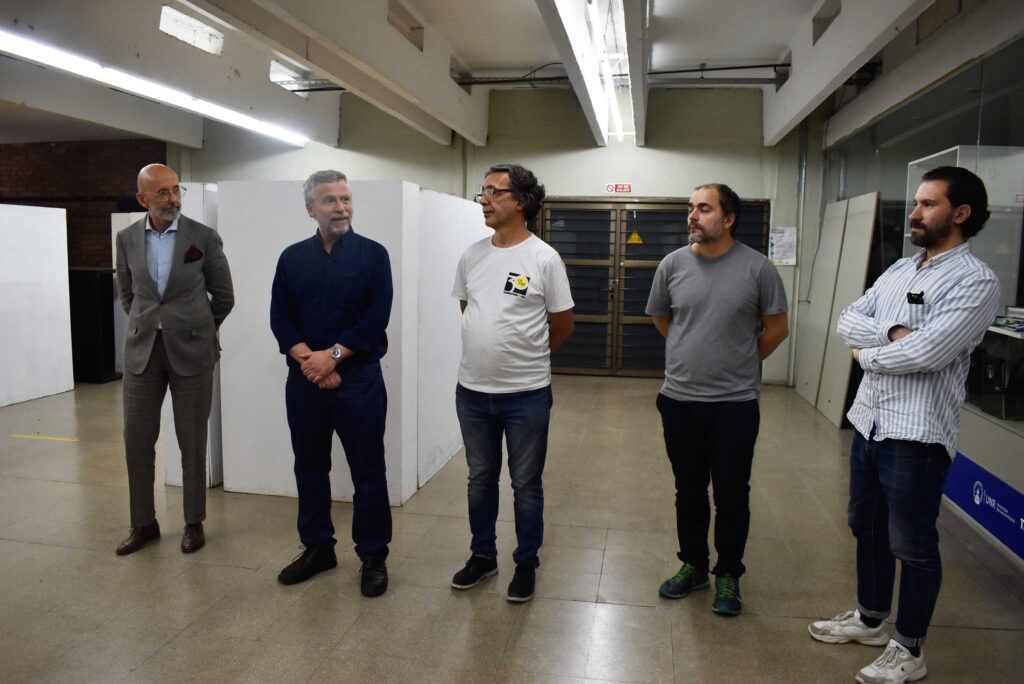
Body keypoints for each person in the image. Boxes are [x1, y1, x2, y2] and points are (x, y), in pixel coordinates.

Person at [809, 167, 1000, 684]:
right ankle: (871, 618)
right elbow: (849, 317)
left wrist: (869, 356)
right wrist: (894, 332)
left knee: (912, 544)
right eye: (916, 203)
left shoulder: (975, 280)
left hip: (916, 434)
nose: (914, 213)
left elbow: (932, 351)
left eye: (928, 204)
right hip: (870, 423)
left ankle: (909, 649)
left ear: (960, 214)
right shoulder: (899, 269)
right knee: (865, 527)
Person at [646, 183, 788, 616]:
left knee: (730, 494)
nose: (693, 215)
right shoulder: (672, 265)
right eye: (690, 208)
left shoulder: (758, 268)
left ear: (728, 219)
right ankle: (693, 564)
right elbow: (662, 318)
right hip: (680, 400)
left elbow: (776, 328)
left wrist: (740, 361)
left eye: (703, 209)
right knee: (687, 490)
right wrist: (694, 353)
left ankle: (729, 573)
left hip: (734, 405)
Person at [449, 163, 574, 603]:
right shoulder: (473, 255)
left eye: (493, 191)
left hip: (527, 395)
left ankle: (525, 563)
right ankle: (483, 557)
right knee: (480, 479)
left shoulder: (544, 258)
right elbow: (469, 308)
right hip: (472, 393)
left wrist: (530, 357)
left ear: (519, 201)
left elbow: (561, 323)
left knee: (526, 484)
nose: (483, 198)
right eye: (482, 191)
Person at [270, 170, 393, 597]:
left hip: (359, 382)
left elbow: (375, 318)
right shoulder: (291, 258)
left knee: (368, 472)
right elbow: (280, 318)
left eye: (345, 198)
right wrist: (311, 362)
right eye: (329, 200)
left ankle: (373, 555)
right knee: (309, 468)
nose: (340, 207)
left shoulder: (374, 256)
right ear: (310, 209)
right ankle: (318, 547)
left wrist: (333, 357)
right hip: (305, 383)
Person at [114, 163, 234, 556]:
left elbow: (224, 296)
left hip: (193, 352)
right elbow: (128, 295)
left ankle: (193, 522)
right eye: (162, 193)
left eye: (176, 190)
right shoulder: (127, 238)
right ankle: (143, 523)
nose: (173, 199)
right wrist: (148, 324)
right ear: (142, 199)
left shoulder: (203, 236)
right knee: (137, 440)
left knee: (191, 441)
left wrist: (196, 327)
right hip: (142, 353)